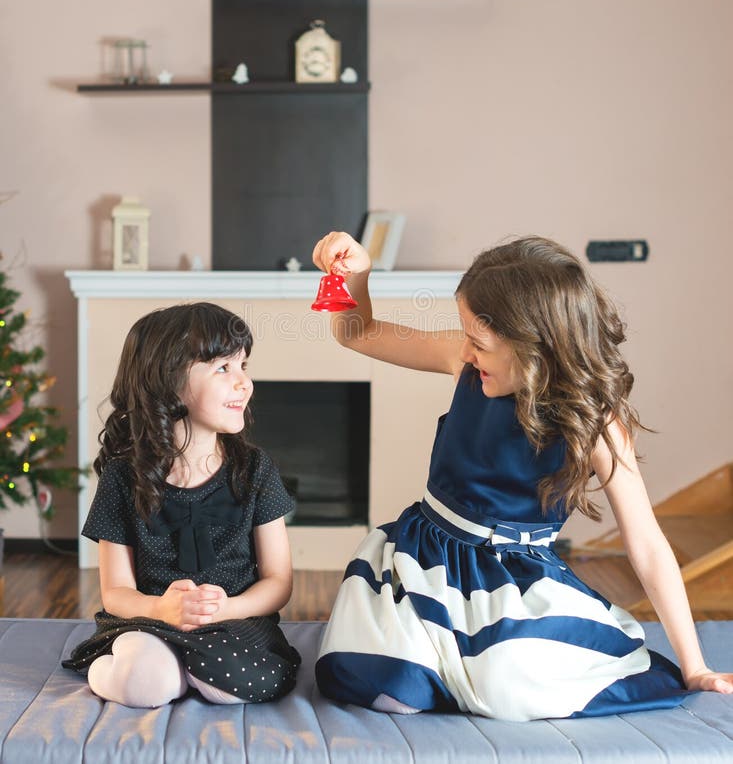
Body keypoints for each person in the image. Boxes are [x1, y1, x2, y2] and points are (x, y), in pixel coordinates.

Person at [312, 232, 733, 721]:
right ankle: (442, 668)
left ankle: (462, 670)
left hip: (518, 582)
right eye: (466, 336)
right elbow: (356, 333)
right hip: (421, 558)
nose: (467, 351)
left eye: (480, 343)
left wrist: (695, 665)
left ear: (534, 347)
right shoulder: (462, 360)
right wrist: (358, 276)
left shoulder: (597, 420)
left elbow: (647, 546)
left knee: (506, 684)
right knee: (369, 677)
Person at [63, 302, 301, 707]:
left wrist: (228, 608)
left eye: (244, 366)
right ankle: (125, 670)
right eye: (223, 369)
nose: (244, 383)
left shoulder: (254, 469)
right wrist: (163, 608)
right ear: (168, 382)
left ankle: (185, 671)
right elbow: (117, 592)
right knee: (146, 681)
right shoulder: (123, 477)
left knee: (243, 683)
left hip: (234, 623)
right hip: (152, 620)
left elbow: (278, 581)